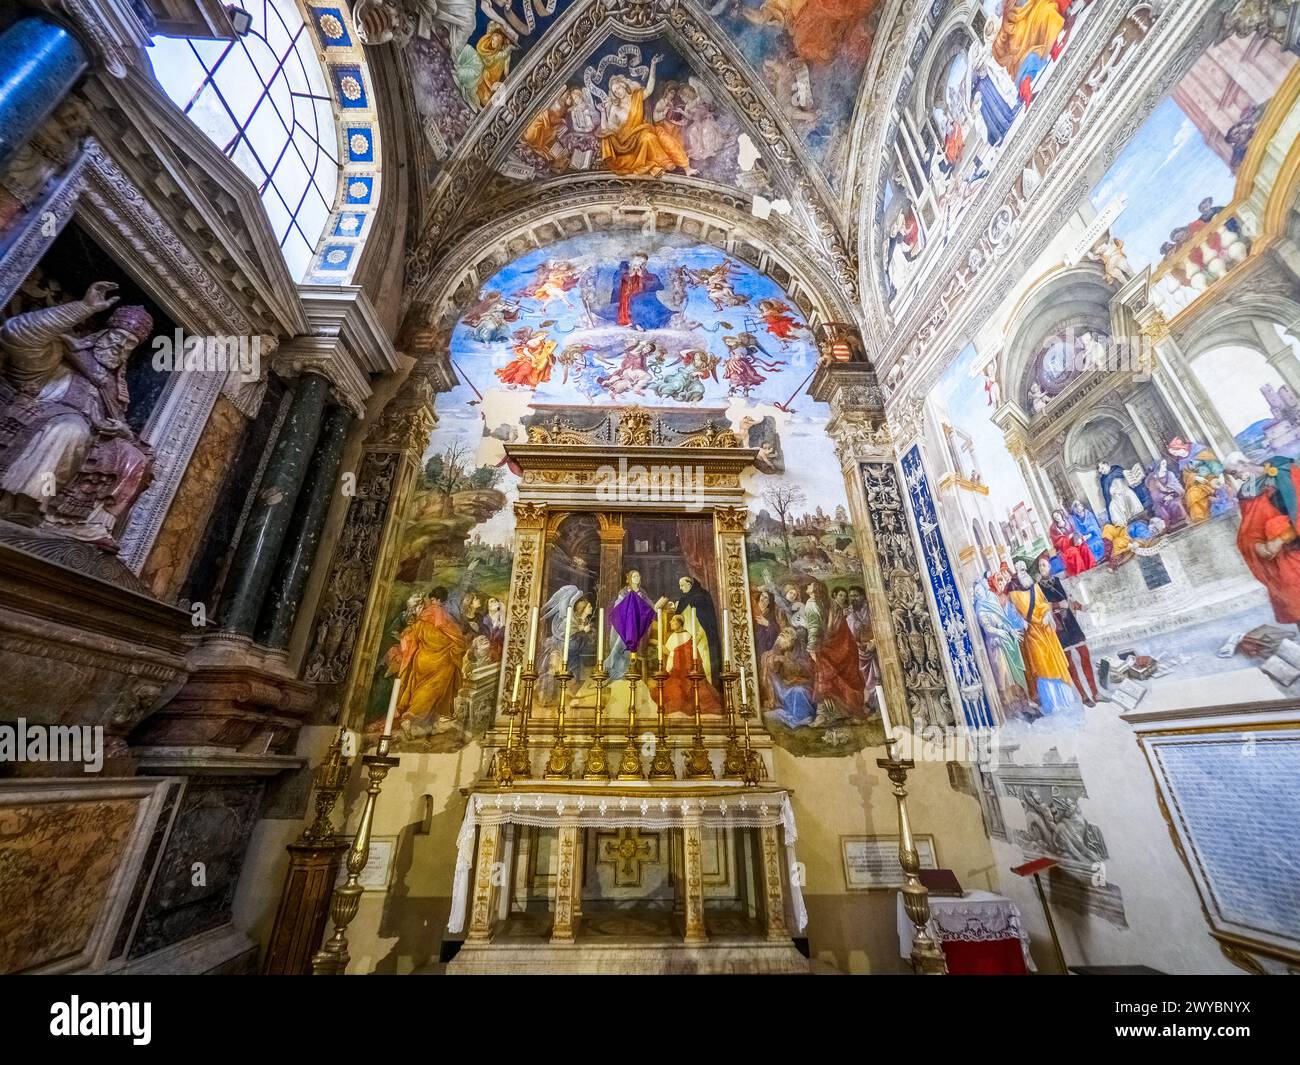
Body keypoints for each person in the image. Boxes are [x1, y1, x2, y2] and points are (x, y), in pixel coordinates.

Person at [385, 585, 469, 735]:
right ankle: (410, 718)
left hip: (422, 660)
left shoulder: (422, 617)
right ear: (442, 601)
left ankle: (422, 722)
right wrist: (455, 649)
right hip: (441, 662)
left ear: (433, 599)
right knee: (430, 691)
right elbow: (457, 640)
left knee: (418, 688)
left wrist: (403, 640)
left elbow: (411, 638)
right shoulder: (446, 618)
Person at [1005, 561, 1083, 714]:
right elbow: (1014, 615)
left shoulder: (1035, 587)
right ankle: (1052, 706)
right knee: (1042, 668)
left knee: (1055, 663)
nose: (1023, 572)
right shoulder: (1014, 595)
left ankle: (1066, 700)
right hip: (1033, 635)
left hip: (1046, 632)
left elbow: (1044, 604)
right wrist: (1020, 621)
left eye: (1024, 569)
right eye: (1020, 570)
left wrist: (1047, 613)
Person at [597, 60, 690, 178]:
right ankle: (663, 163)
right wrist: (603, 112)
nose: (617, 92)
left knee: (648, 136)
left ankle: (666, 163)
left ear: (624, 86)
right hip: (625, 142)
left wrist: (653, 65)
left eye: (618, 88)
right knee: (647, 137)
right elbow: (608, 129)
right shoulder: (615, 108)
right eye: (615, 92)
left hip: (640, 133)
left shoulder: (636, 97)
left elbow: (650, 89)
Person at [1036, 554, 1099, 706]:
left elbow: (1068, 600)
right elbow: (1041, 607)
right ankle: (1084, 696)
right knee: (1069, 663)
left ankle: (1095, 693)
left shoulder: (1058, 581)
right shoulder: (1038, 588)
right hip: (1059, 627)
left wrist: (1083, 607)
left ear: (1050, 566)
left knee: (1085, 655)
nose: (1042, 568)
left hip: (1071, 622)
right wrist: (1057, 606)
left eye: (1044, 565)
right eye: (1040, 566)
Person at [655, 574, 721, 685]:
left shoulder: (702, 596)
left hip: (701, 638)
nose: (680, 588)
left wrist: (698, 637)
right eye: (679, 585)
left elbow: (706, 620)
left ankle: (708, 687)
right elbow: (680, 615)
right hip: (687, 639)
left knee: (704, 665)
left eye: (682, 585)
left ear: (690, 584)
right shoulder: (684, 599)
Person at [657, 612, 721, 714]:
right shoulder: (673, 635)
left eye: (673, 620)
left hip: (685, 672)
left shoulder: (687, 636)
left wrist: (667, 651)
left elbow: (687, 655)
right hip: (674, 669)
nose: (670, 622)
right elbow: (669, 651)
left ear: (679, 623)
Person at [605, 569, 657, 679]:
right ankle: (621, 669)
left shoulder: (642, 592)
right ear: (629, 579)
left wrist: (655, 607)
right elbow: (617, 607)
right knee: (621, 639)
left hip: (639, 624)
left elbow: (649, 605)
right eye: (634, 576)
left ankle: (633, 668)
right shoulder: (624, 592)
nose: (636, 578)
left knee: (639, 637)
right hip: (625, 624)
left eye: (638, 576)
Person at [761, 626, 818, 728]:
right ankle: (786, 713)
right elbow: (770, 660)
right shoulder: (780, 651)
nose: (781, 648)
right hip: (785, 688)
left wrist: (787, 662)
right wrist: (774, 659)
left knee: (799, 691)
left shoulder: (802, 654)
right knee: (792, 689)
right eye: (781, 646)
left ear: (791, 642)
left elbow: (808, 671)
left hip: (804, 685)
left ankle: (802, 717)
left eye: (784, 645)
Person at [1050, 508, 1094, 577]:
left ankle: (1091, 567)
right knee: (1073, 552)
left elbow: (1075, 531)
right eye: (1055, 517)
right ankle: (1081, 572)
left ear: (1061, 515)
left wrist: (1077, 538)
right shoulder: (1054, 528)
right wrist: (1068, 538)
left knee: (1084, 548)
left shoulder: (1068, 522)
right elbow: (1057, 542)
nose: (1057, 518)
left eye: (1057, 515)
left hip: (1075, 542)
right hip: (1066, 548)